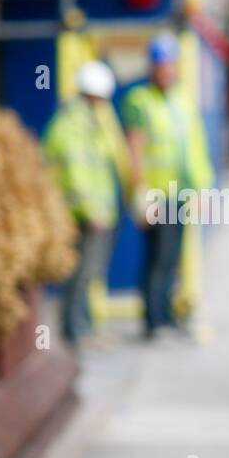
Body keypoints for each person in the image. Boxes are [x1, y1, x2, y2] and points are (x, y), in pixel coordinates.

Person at [121, 31, 214, 339]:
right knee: (157, 258)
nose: (166, 71)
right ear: (152, 67)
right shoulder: (139, 101)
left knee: (172, 259)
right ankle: (154, 321)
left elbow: (195, 148)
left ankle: (167, 315)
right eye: (161, 65)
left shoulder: (182, 100)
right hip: (157, 195)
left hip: (180, 194)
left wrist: (201, 189)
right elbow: (134, 148)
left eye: (170, 65)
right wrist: (141, 192)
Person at [43, 60, 131, 349]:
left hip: (99, 212)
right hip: (84, 214)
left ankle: (85, 326)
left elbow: (108, 157)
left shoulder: (93, 120)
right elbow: (74, 173)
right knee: (81, 273)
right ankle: (74, 330)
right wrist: (91, 211)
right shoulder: (71, 123)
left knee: (90, 272)